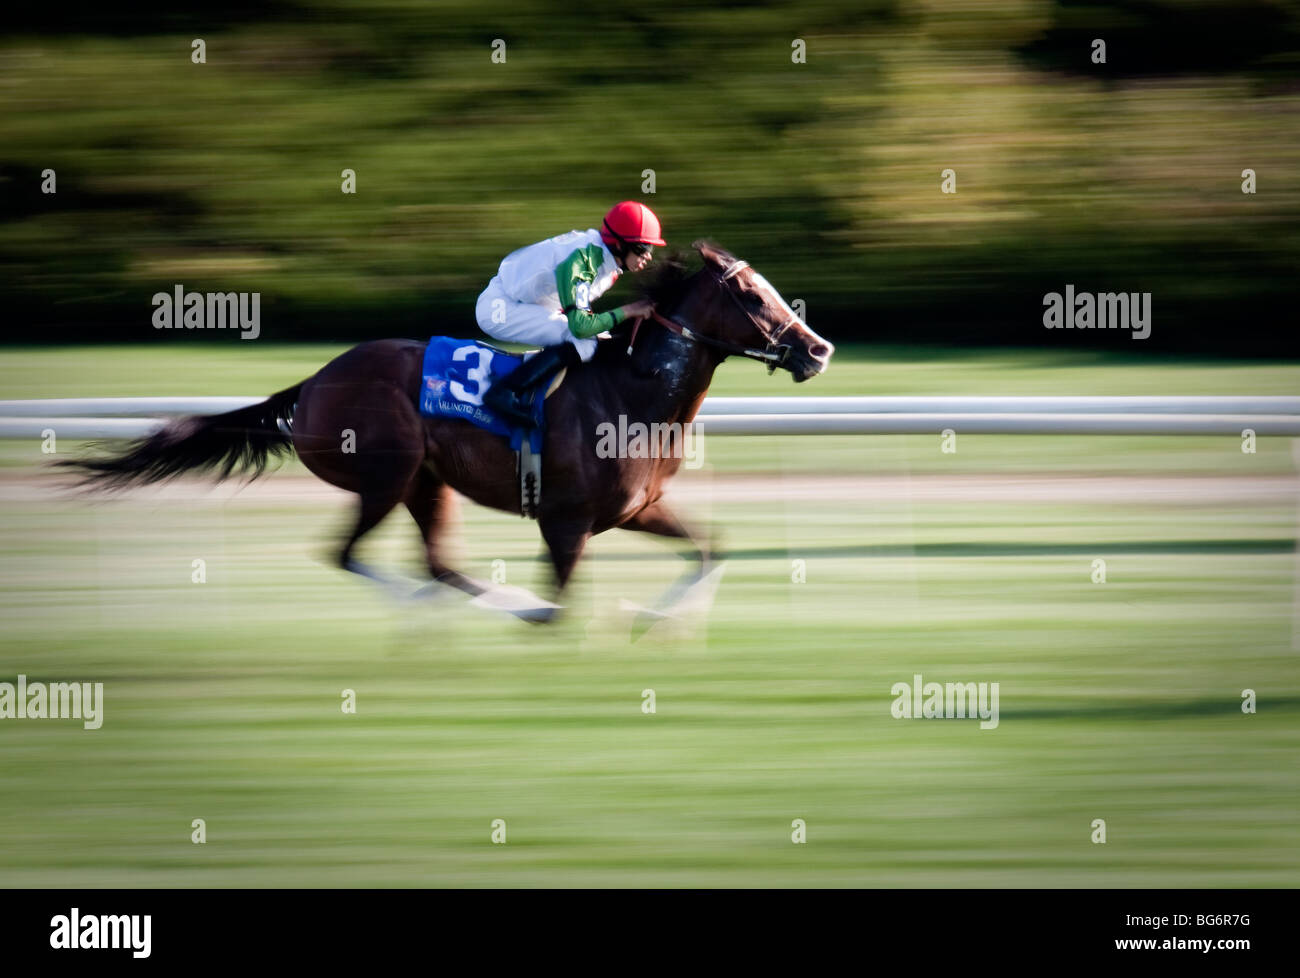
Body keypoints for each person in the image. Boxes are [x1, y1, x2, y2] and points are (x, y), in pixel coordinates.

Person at [475, 201, 664, 425]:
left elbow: (578, 307)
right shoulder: (582, 262)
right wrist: (629, 310)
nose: (648, 256)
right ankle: (504, 391)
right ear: (620, 245)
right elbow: (580, 327)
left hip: (524, 302)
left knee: (596, 339)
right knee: (583, 341)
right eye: (643, 248)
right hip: (501, 307)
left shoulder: (604, 259)